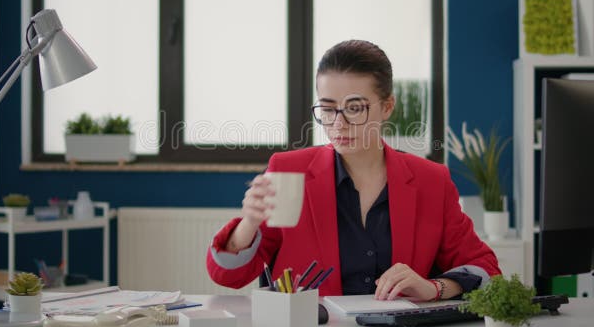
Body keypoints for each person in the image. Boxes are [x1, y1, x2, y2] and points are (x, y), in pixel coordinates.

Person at [206, 40, 500, 300]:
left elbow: (486, 269)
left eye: (355, 108)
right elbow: (227, 277)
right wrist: (249, 224)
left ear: (387, 107)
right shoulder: (288, 171)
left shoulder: (430, 181)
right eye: (327, 107)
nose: (338, 123)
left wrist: (434, 288)